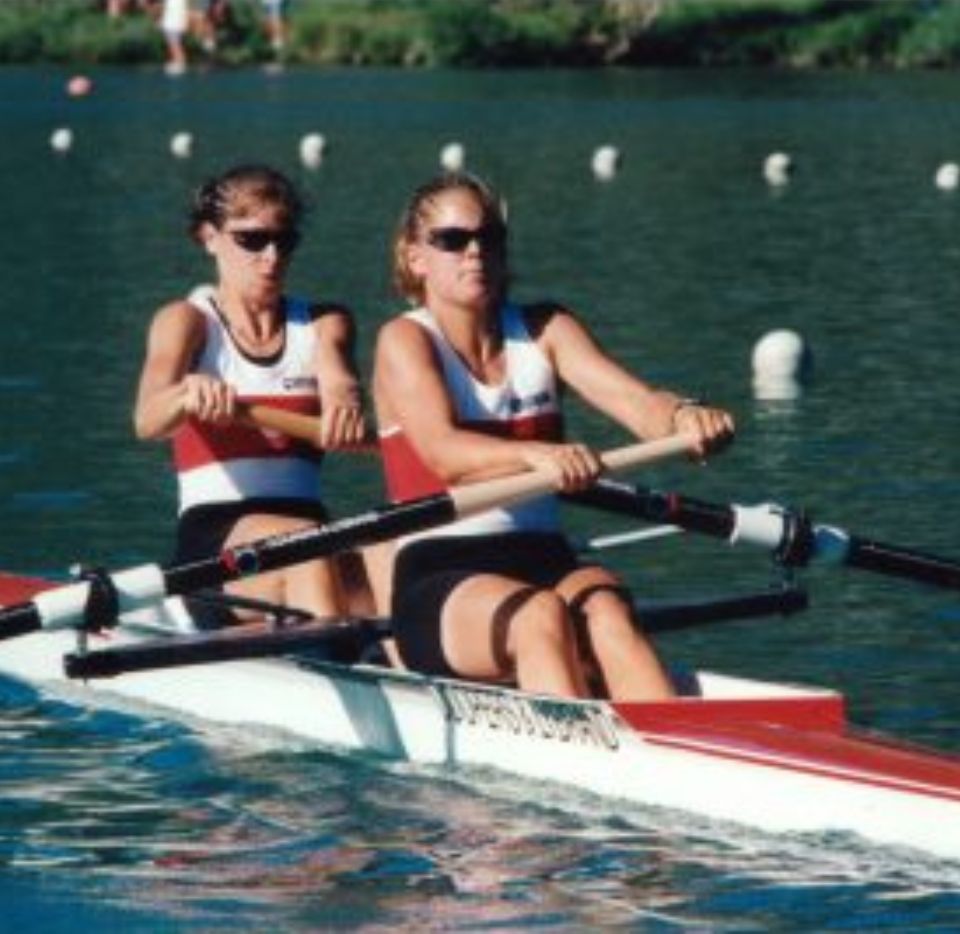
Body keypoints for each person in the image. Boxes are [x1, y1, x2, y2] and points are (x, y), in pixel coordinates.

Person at [374, 171, 734, 700]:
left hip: (544, 558)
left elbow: (637, 404)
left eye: (488, 238)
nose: (474, 252)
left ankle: (676, 755)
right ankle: (579, 773)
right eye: (453, 240)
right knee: (540, 615)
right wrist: (540, 456)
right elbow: (445, 454)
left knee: (610, 610)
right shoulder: (404, 340)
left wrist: (684, 416)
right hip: (441, 571)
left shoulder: (546, 328)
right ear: (415, 258)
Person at [135, 164, 382, 626]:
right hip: (214, 552)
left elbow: (338, 379)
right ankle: (332, 661)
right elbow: (147, 420)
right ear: (210, 237)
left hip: (312, 532)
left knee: (397, 550)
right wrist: (186, 393)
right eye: (251, 240)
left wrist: (344, 403)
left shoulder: (325, 322)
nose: (271, 257)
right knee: (308, 547)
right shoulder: (186, 322)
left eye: (283, 241)